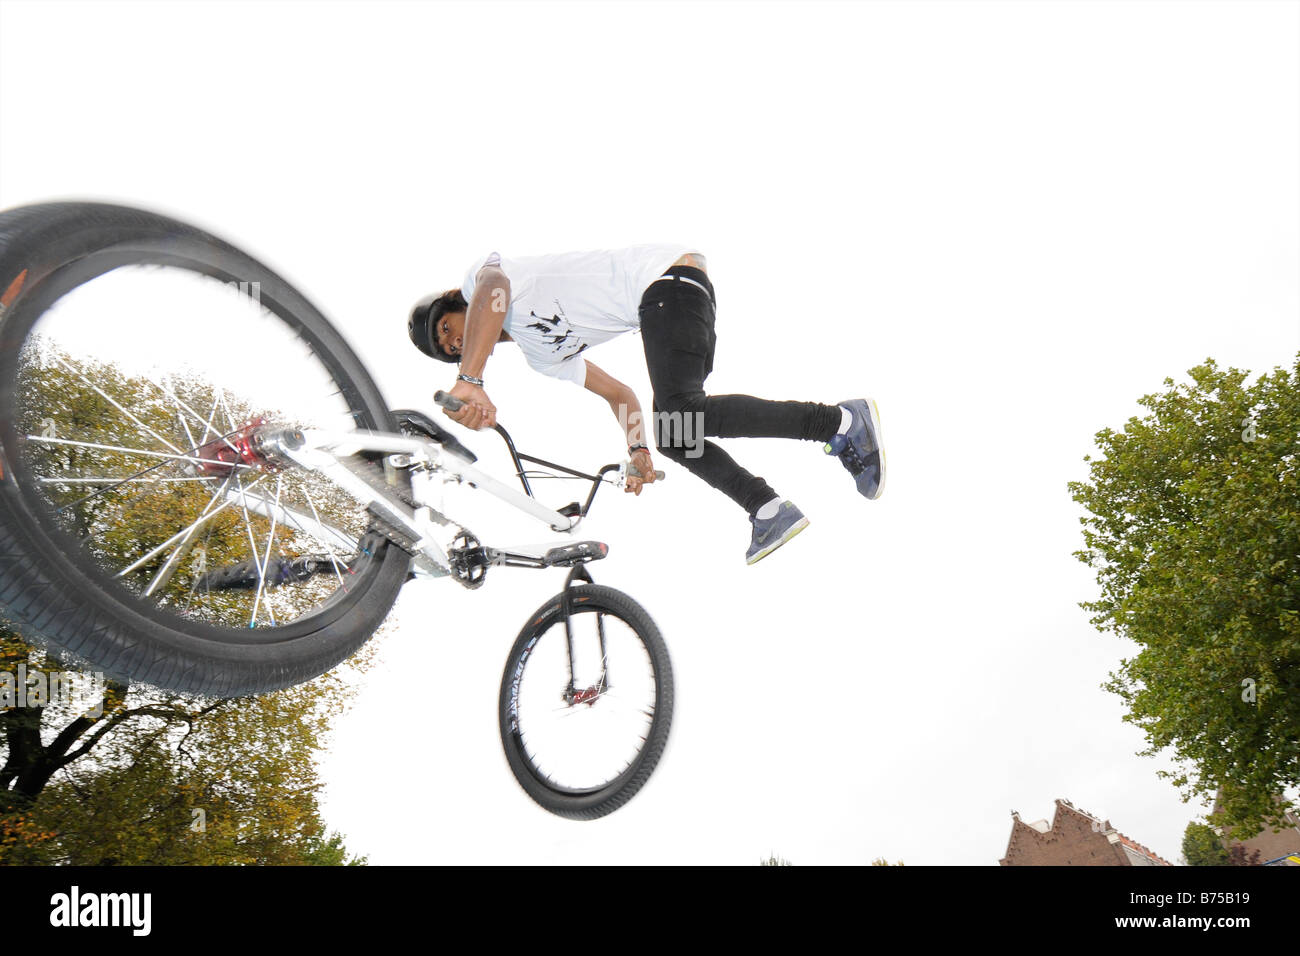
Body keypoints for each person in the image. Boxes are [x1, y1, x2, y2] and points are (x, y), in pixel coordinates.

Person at [408, 246, 885, 564]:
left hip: (665, 283)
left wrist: (470, 377)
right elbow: (621, 395)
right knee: (676, 435)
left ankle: (839, 421)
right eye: (448, 349)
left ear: (455, 304)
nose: (454, 342)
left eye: (449, 329)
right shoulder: (541, 356)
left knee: (683, 413)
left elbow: (496, 287)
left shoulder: (481, 281)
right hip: (672, 308)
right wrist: (638, 450)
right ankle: (766, 510)